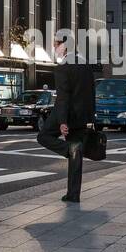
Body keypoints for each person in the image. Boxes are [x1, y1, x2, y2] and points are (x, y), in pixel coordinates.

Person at [36, 40, 96, 202]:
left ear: (65, 46)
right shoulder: (85, 65)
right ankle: (73, 194)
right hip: (82, 116)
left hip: (66, 113)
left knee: (43, 136)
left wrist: (62, 121)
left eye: (56, 45)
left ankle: (68, 148)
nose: (54, 48)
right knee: (76, 155)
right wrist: (91, 117)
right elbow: (92, 92)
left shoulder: (63, 67)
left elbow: (63, 96)